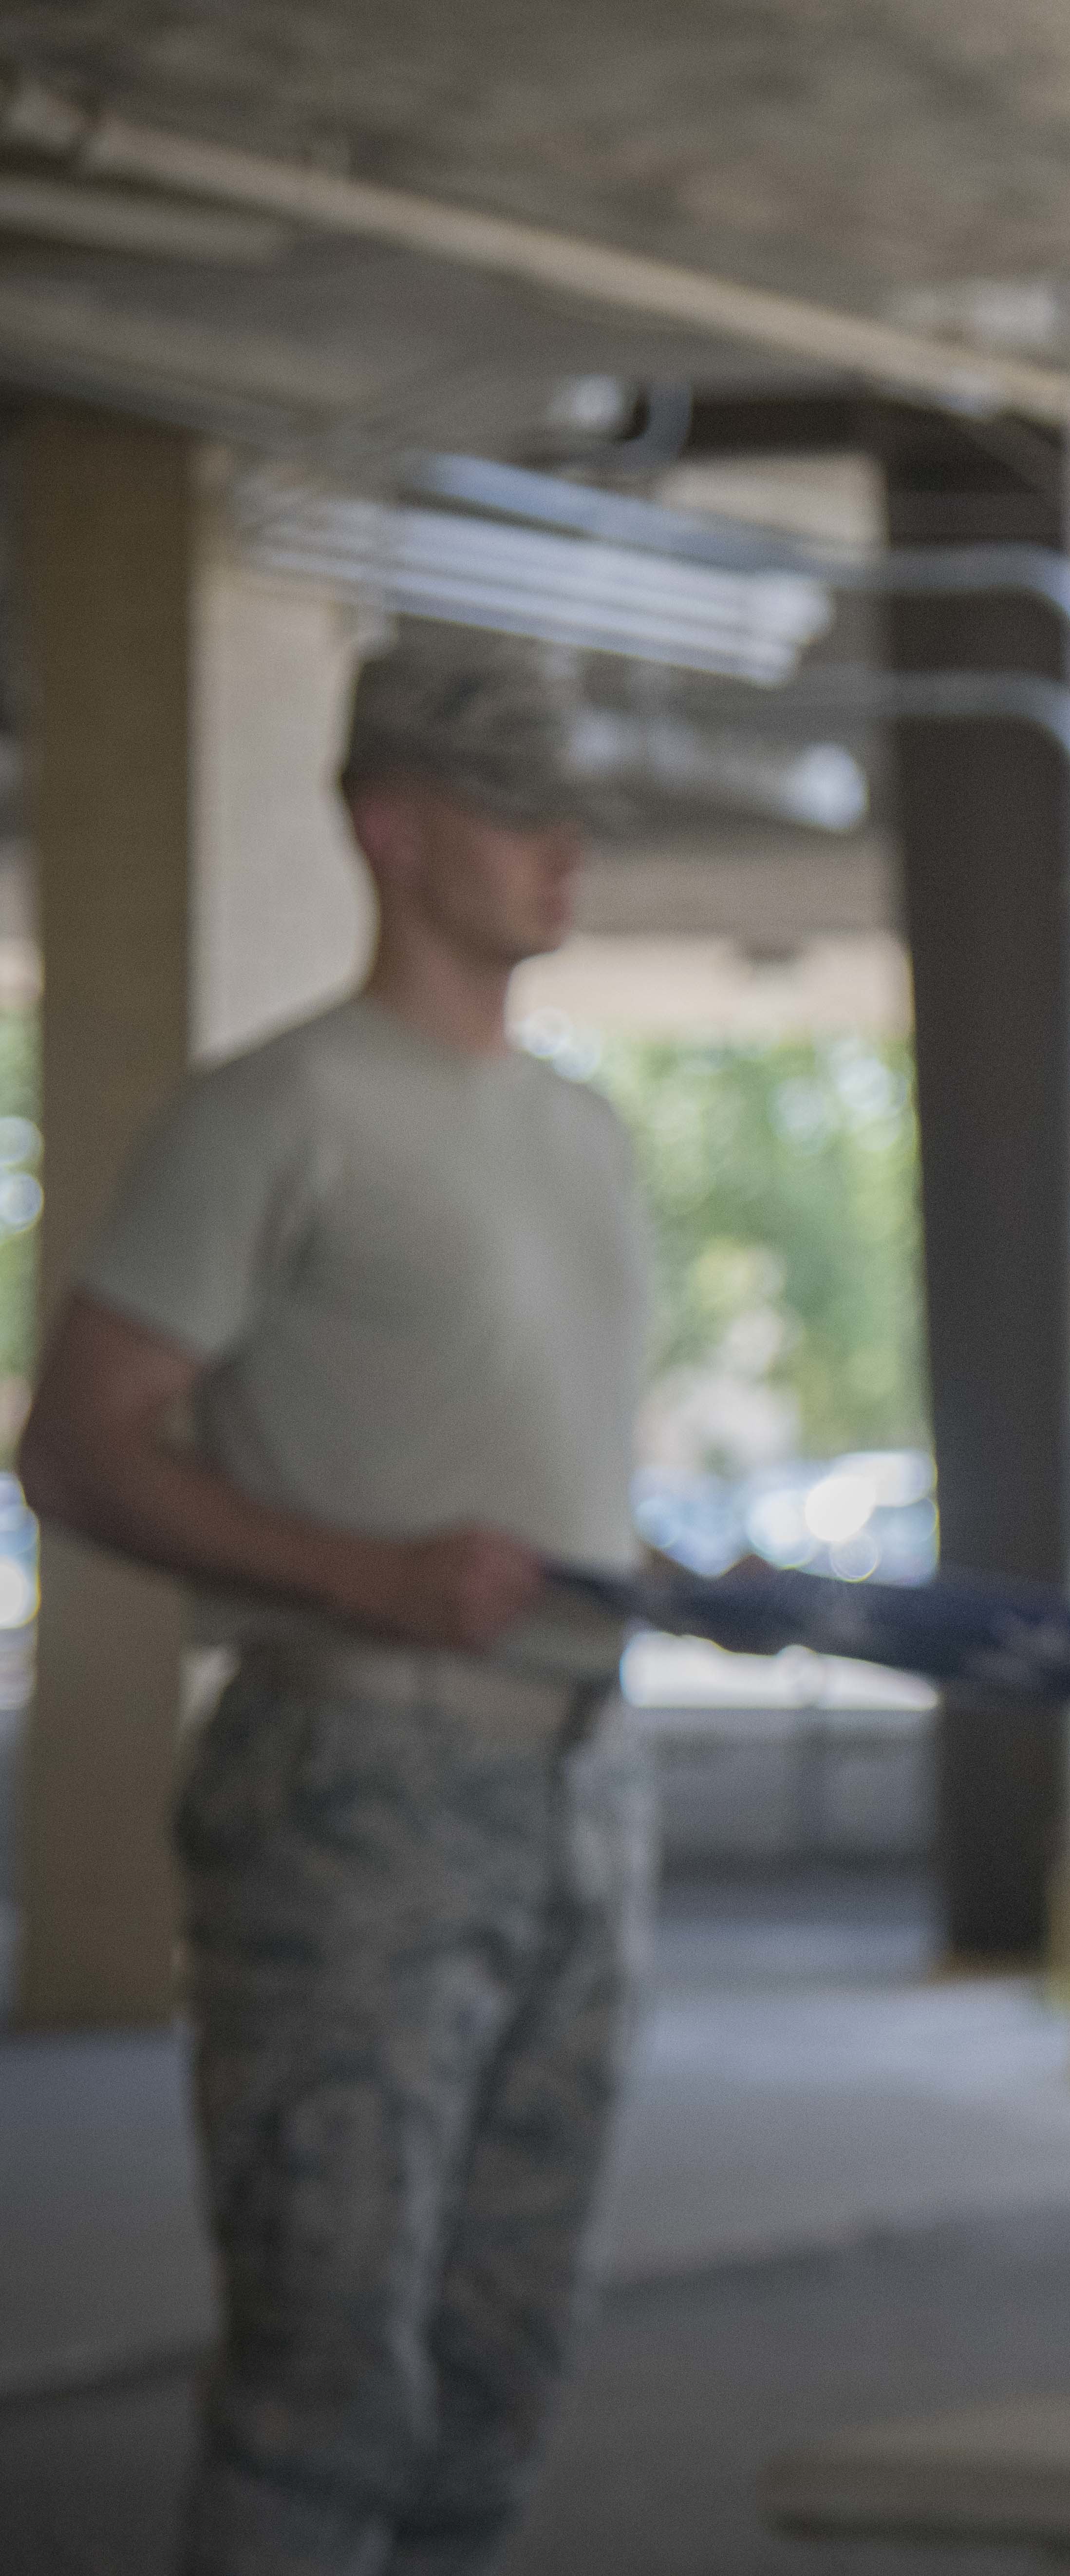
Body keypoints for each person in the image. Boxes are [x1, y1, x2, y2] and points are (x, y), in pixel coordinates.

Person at [21, 635, 654, 2576]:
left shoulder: (584, 1132)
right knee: (325, 2381)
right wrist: (368, 1571)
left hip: (577, 1798)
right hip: (354, 1785)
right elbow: (80, 1446)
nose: (565, 848)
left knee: (500, 2363)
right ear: (394, 830)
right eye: (515, 810)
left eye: (572, 811)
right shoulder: (275, 1112)